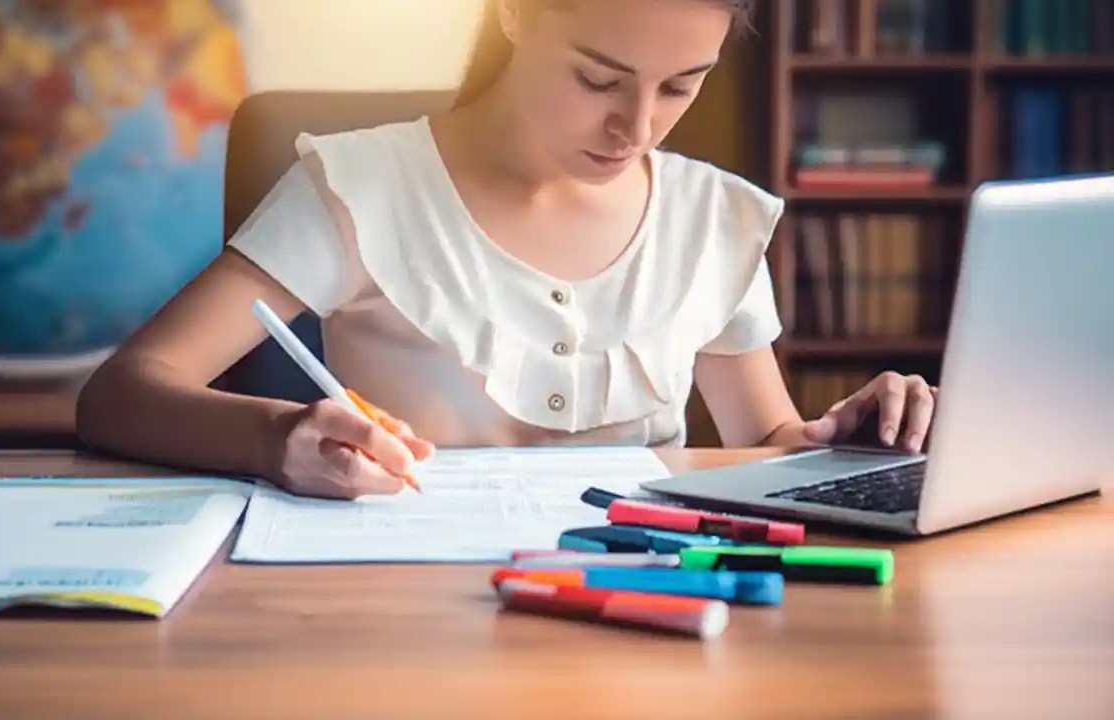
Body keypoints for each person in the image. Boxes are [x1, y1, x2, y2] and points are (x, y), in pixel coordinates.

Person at [76, 0, 938, 500]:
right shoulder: (361, 187)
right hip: (406, 628)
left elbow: (767, 442)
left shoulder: (712, 217)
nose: (634, 129)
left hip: (644, 615)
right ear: (516, 11)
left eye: (681, 86)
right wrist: (276, 439)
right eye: (598, 78)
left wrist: (842, 443)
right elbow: (122, 394)